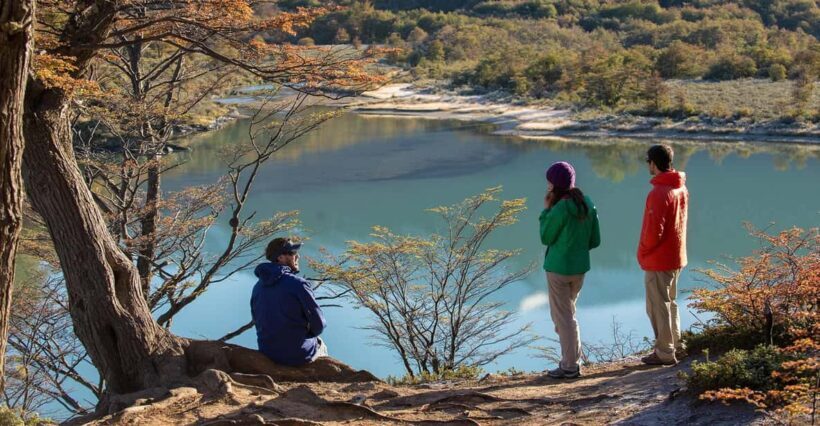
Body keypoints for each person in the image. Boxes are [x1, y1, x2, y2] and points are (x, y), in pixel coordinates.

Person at [539, 161, 601, 379]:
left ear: (554, 184)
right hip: (580, 268)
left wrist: (546, 211)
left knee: (563, 318)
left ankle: (570, 366)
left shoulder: (559, 208)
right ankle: (573, 358)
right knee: (568, 315)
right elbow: (595, 240)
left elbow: (545, 237)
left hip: (558, 269)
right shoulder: (587, 203)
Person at [638, 145, 688, 366]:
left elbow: (653, 232)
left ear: (653, 163)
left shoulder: (659, 193)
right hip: (676, 256)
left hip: (659, 259)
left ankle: (665, 352)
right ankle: (676, 344)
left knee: (657, 305)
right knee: (670, 302)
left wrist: (643, 252)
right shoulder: (680, 188)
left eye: (647, 161)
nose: (647, 165)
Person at [251, 237, 328, 366]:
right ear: (280, 257)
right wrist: (309, 334)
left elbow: (256, 319)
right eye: (293, 253)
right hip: (297, 354)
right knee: (321, 344)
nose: (297, 256)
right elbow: (319, 324)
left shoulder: (258, 286)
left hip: (267, 351)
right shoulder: (298, 284)